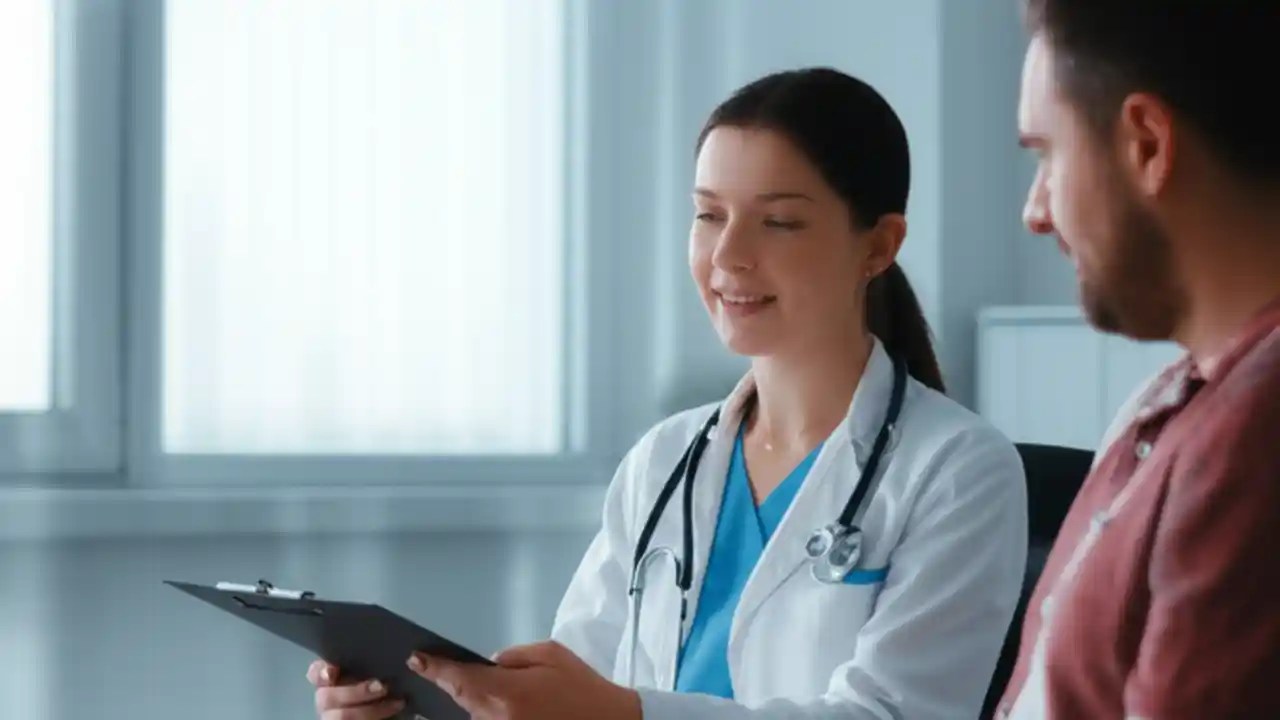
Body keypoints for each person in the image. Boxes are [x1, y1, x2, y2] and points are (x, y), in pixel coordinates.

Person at [309, 68, 1028, 720]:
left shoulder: (959, 471)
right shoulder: (665, 460)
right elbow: (572, 691)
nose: (728, 255)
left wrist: (627, 715)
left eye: (777, 221)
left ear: (878, 245)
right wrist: (419, 708)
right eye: (709, 214)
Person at [997, 2, 1280, 718]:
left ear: (1148, 145)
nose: (1035, 210)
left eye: (1047, 155)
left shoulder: (1254, 437)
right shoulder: (1171, 403)